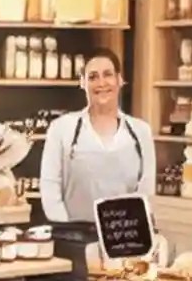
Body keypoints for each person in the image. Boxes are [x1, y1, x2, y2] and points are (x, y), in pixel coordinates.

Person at [39, 48, 155, 222]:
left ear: (119, 80)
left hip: (124, 238)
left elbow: (146, 192)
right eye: (93, 77)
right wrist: (67, 232)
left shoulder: (141, 132)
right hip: (75, 238)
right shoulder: (61, 129)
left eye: (107, 74)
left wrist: (128, 232)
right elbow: (50, 189)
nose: (101, 83)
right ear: (82, 83)